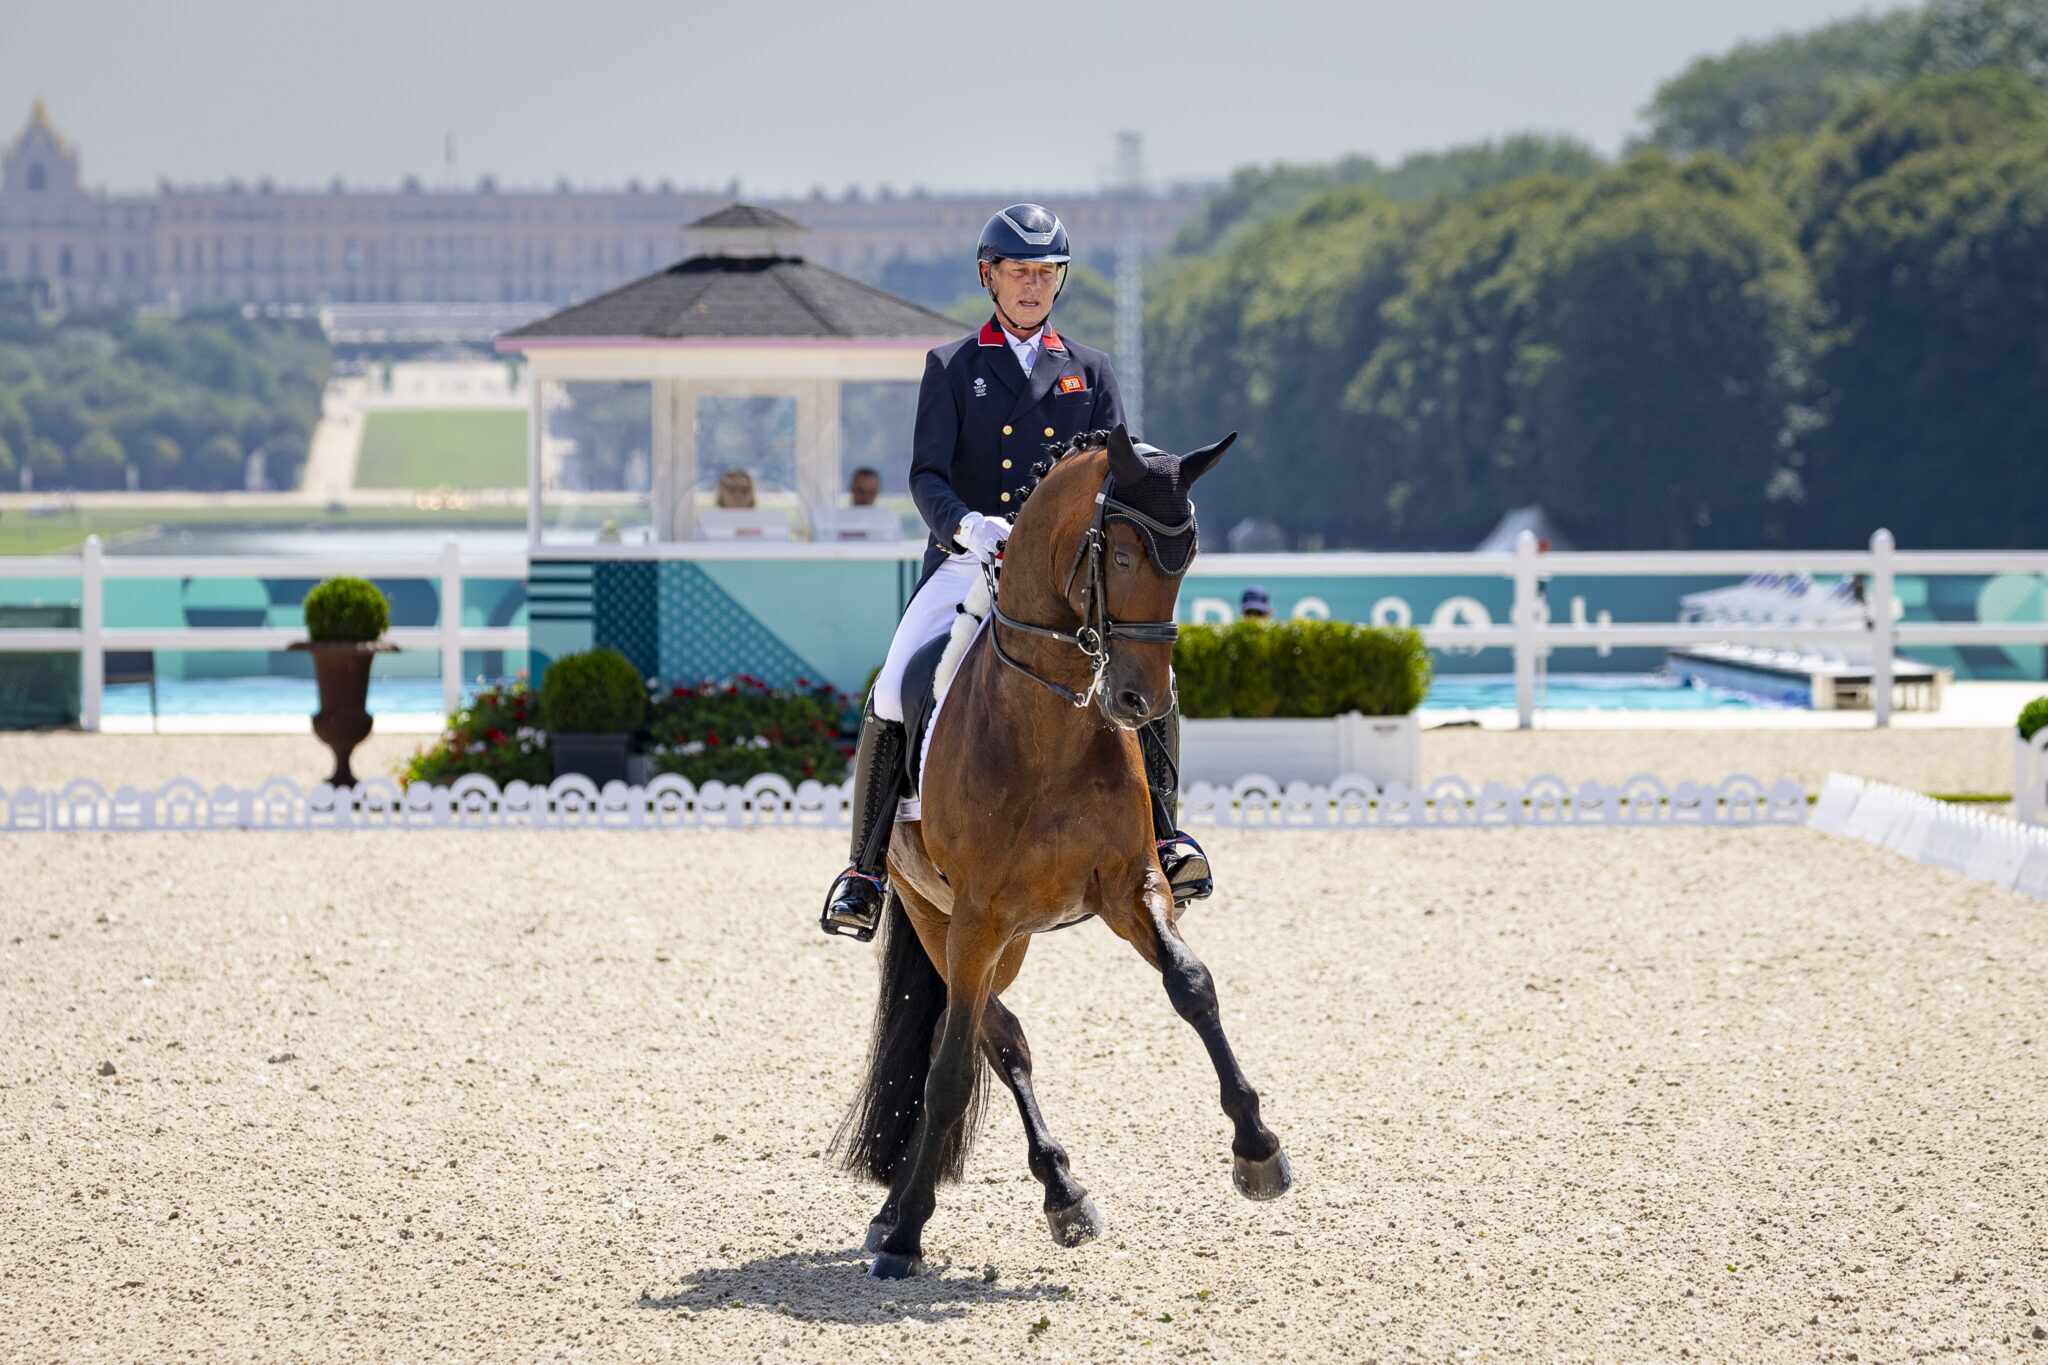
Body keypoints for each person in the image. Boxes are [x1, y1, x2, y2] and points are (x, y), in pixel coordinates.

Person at [820, 204, 1214, 940]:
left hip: (1066, 577)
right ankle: (865, 871)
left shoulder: (1089, 370)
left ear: (1057, 281)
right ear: (988, 276)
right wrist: (970, 526)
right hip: (966, 559)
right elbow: (927, 474)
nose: (1032, 286)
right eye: (1018, 272)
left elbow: (1115, 469)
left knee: (1157, 684)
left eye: (1044, 273)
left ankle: (1166, 838)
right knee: (899, 682)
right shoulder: (952, 367)